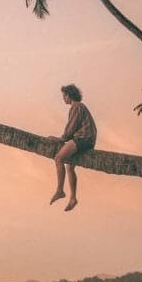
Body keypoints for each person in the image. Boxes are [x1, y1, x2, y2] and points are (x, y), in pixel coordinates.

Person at [49, 84, 96, 212]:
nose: (63, 98)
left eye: (64, 95)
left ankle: (59, 190)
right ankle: (73, 198)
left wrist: (61, 139)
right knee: (69, 166)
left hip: (83, 139)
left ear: (69, 95)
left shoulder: (76, 107)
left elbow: (71, 127)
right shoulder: (80, 107)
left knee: (58, 158)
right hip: (88, 140)